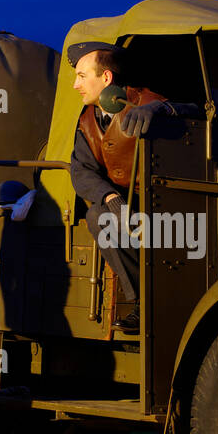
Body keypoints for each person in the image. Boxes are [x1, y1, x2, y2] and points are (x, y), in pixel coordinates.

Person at [66, 42, 200, 333]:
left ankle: (158, 297)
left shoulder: (146, 102)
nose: (76, 84)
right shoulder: (87, 119)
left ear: (106, 79)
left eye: (81, 75)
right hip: (126, 207)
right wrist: (110, 196)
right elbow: (81, 170)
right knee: (99, 216)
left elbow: (201, 113)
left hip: (166, 207)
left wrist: (162, 109)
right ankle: (144, 300)